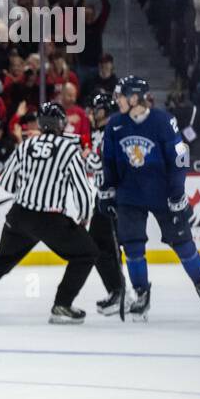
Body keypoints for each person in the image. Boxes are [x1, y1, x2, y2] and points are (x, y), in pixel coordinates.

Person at [0, 102, 98, 324]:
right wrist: (84, 218)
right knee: (87, 253)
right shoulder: (69, 149)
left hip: (20, 215)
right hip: (51, 219)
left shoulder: (26, 146)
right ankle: (62, 304)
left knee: (1, 261)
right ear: (61, 124)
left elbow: (7, 182)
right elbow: (82, 189)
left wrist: (30, 188)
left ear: (40, 123)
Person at [99, 75, 200, 320]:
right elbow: (108, 160)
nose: (117, 100)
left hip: (163, 194)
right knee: (132, 247)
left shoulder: (165, 121)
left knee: (183, 244)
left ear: (134, 98)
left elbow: (180, 158)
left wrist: (177, 193)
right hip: (130, 195)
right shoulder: (114, 125)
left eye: (120, 96)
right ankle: (142, 293)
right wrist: (107, 189)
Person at [85, 92, 126, 313]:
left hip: (113, 195)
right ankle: (118, 290)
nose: (92, 113)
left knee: (103, 245)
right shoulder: (101, 132)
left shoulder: (110, 132)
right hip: (104, 195)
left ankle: (120, 291)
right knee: (106, 246)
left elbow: (101, 163)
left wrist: (85, 155)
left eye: (96, 109)